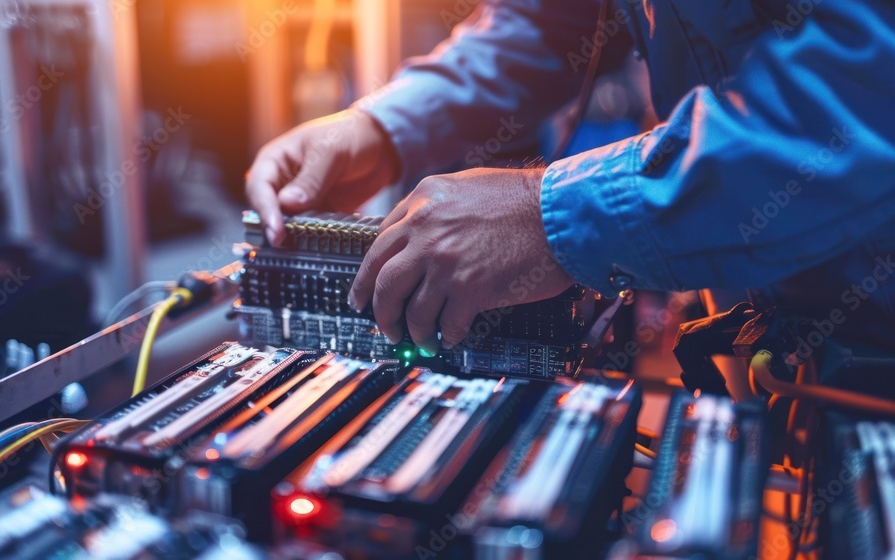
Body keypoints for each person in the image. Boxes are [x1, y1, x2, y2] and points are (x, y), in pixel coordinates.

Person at [245, 0, 895, 364]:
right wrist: (383, 126)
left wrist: (549, 213)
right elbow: (549, 21)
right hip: (769, 351)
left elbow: (858, 107)